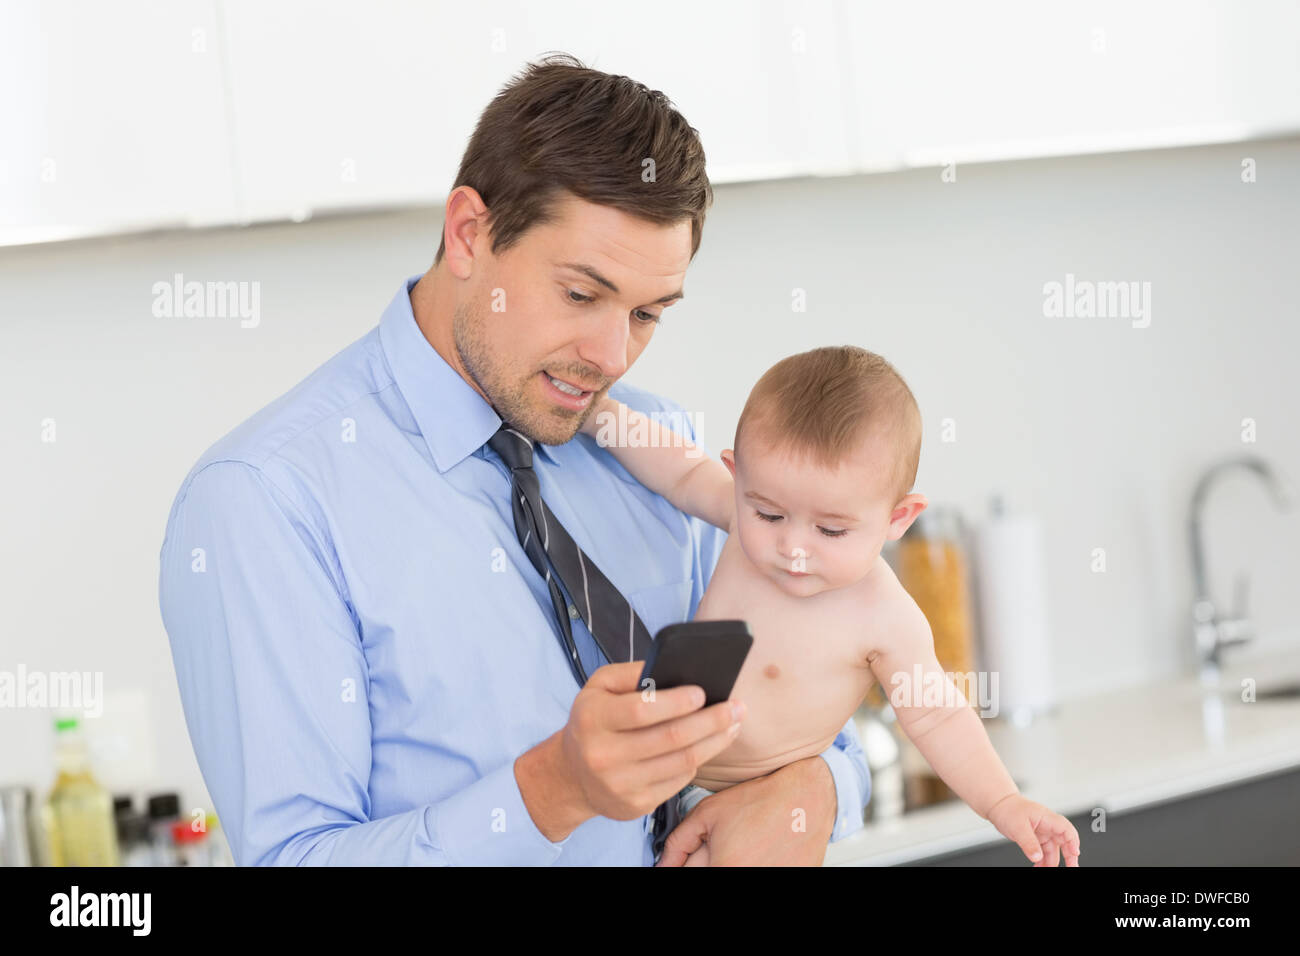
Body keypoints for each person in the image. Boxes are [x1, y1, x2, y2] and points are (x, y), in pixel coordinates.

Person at [158, 53, 869, 866]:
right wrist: (555, 790)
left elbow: (815, 720)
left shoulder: (658, 452)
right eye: (580, 294)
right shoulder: (267, 503)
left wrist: (817, 792)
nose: (610, 356)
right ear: (470, 233)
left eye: (646, 314)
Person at [582, 348, 1082, 866]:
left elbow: (937, 715)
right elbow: (680, 472)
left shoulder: (884, 615)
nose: (794, 547)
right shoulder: (740, 520)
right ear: (739, 479)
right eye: (770, 514)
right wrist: (603, 414)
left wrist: (1002, 801)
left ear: (898, 518)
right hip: (653, 787)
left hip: (756, 808)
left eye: (831, 530)